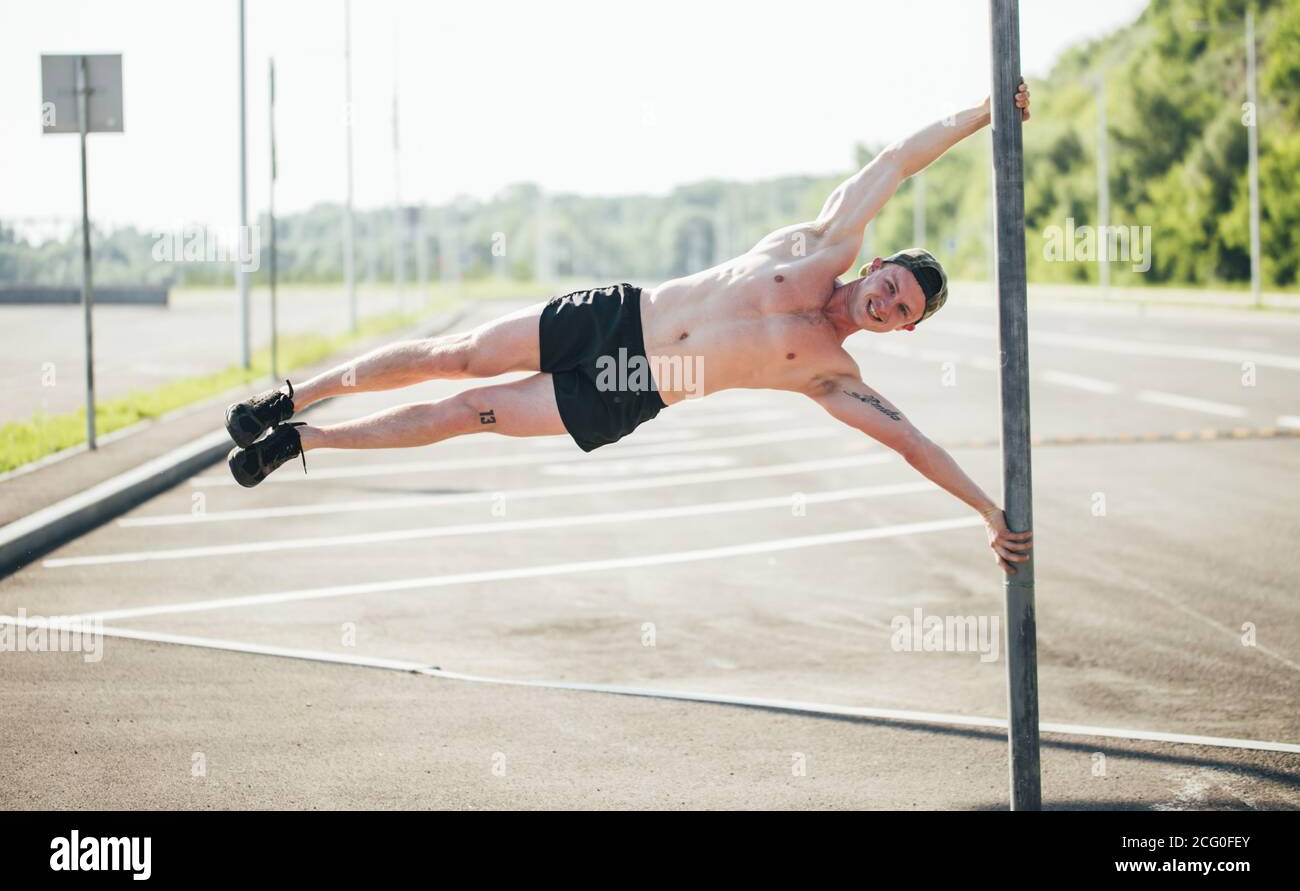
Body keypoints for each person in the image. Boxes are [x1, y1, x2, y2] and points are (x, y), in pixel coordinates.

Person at [226, 83, 1034, 573]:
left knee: (464, 414)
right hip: (621, 314)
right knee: (459, 354)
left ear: (900, 330)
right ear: (879, 265)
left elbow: (913, 444)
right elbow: (897, 158)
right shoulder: (822, 244)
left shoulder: (830, 375)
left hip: (638, 388)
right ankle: (291, 397)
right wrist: (988, 111)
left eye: (900, 313)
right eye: (892, 286)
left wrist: (988, 514)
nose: (885, 303)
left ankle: (302, 443)